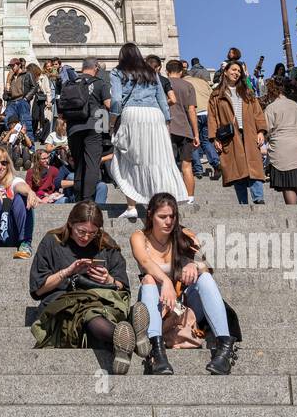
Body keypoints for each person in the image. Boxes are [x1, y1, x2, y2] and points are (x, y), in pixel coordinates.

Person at [130, 193, 240, 375]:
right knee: (148, 279)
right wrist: (165, 281)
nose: (168, 222)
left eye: (172, 216)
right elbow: (145, 263)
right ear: (150, 215)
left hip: (183, 306)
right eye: (162, 217)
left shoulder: (184, 235)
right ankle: (156, 353)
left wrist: (194, 265)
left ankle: (225, 348)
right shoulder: (139, 237)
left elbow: (208, 266)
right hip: (157, 305)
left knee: (203, 278)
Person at [29, 201, 142, 373]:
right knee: (87, 311)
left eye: (92, 233)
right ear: (70, 224)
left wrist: (109, 280)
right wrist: (67, 272)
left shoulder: (106, 244)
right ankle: (126, 337)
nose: (86, 237)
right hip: (64, 303)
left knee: (96, 309)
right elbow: (38, 289)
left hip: (102, 299)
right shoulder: (52, 242)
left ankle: (123, 338)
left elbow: (122, 286)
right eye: (81, 231)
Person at [107, 43, 186, 220]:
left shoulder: (117, 72)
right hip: (155, 117)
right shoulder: (151, 72)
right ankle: (161, 205)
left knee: (126, 159)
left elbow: (117, 101)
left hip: (132, 114)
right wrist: (166, 122)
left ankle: (132, 206)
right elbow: (162, 100)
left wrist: (112, 122)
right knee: (157, 159)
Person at [208, 61, 268, 205]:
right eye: (234, 70)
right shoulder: (216, 95)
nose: (236, 73)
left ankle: (258, 199)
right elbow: (212, 117)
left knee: (254, 167)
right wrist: (214, 138)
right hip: (229, 136)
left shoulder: (247, 91)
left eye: (239, 71)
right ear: (226, 72)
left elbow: (258, 113)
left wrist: (261, 131)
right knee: (237, 170)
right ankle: (243, 204)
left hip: (249, 133)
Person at [262, 76, 297, 205]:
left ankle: (293, 220)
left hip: (282, 150)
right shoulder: (296, 106)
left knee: (287, 186)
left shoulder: (271, 108)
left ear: (271, 91)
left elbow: (266, 128)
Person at [62, 57, 111, 204]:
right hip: (93, 127)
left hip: (73, 128)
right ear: (96, 68)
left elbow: (62, 110)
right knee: (92, 164)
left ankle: (78, 199)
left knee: (79, 164)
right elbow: (109, 105)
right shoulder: (99, 83)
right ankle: (87, 200)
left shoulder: (69, 83)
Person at [161, 60, 200, 203]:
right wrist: (196, 134)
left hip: (168, 129)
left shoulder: (162, 83)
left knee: (168, 165)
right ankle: (190, 197)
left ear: (166, 71)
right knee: (187, 166)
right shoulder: (188, 85)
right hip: (185, 130)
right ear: (182, 71)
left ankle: (171, 197)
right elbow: (192, 110)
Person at [2, 58, 37, 139]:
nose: (12, 68)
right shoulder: (10, 77)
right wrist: (8, 83)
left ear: (19, 65)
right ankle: (12, 144)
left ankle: (30, 148)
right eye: (11, 66)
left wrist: (26, 98)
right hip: (11, 102)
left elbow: (34, 87)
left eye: (13, 65)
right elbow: (5, 96)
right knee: (8, 122)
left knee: (26, 124)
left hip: (22, 101)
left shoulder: (27, 74)